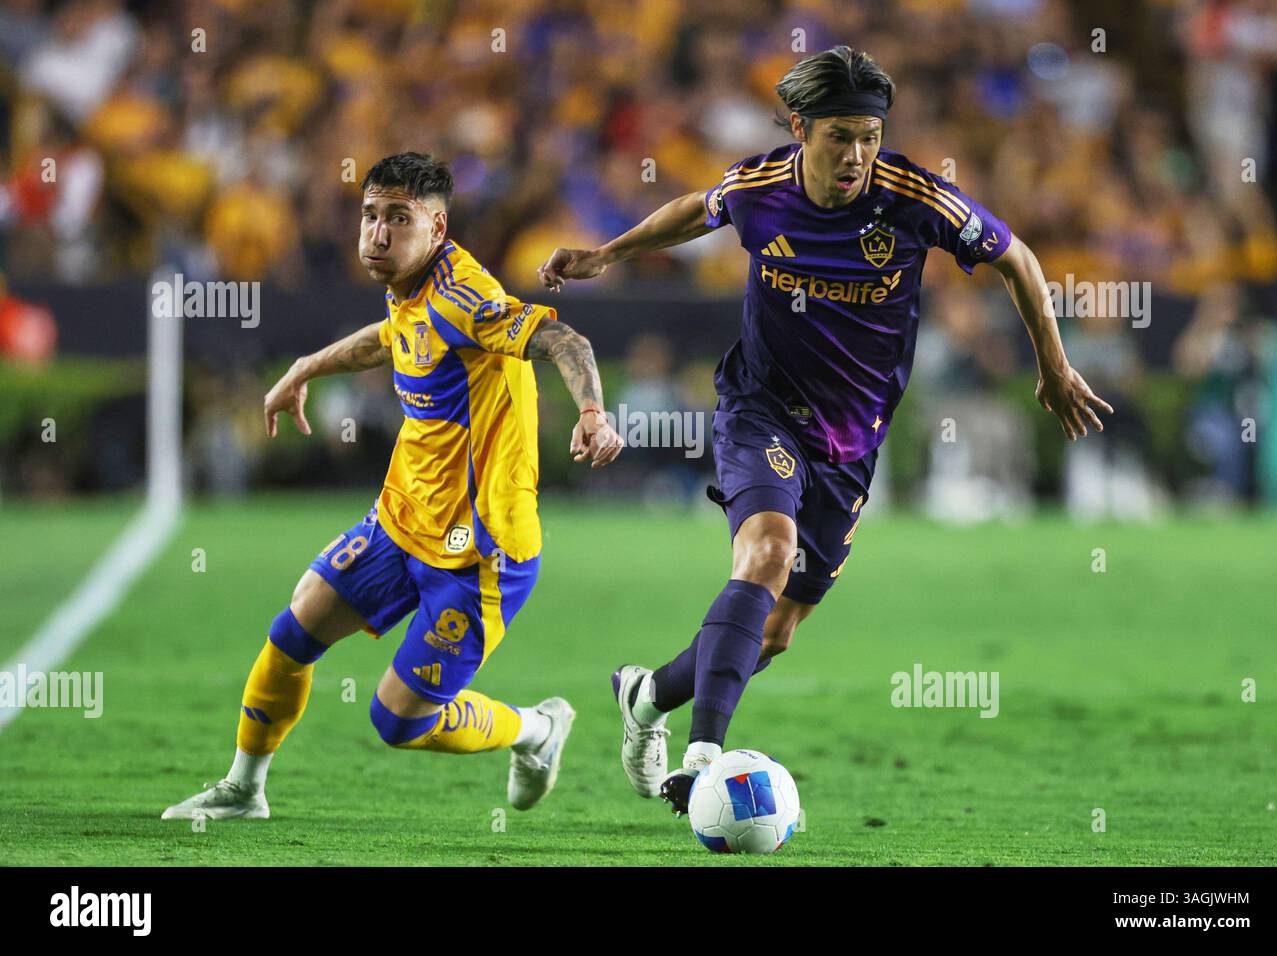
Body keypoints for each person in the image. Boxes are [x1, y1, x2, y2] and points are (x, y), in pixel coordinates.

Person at [538, 46, 1113, 814]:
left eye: (870, 137)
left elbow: (1020, 260)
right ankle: (704, 757)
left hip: (852, 440)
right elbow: (698, 209)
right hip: (762, 409)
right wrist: (607, 254)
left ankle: (645, 699)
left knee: (776, 631)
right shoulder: (759, 188)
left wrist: (1054, 365)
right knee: (767, 553)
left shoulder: (915, 199)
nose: (857, 155)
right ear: (801, 129)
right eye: (840, 136)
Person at [163, 152, 623, 820]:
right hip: (401, 519)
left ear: (437, 229)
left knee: (398, 720)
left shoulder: (468, 299)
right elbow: (391, 338)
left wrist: (592, 413)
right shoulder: (410, 287)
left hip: (480, 549)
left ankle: (536, 729)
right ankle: (244, 788)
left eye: (398, 219)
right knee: (294, 629)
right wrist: (307, 367)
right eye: (370, 215)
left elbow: (563, 339)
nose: (378, 233)